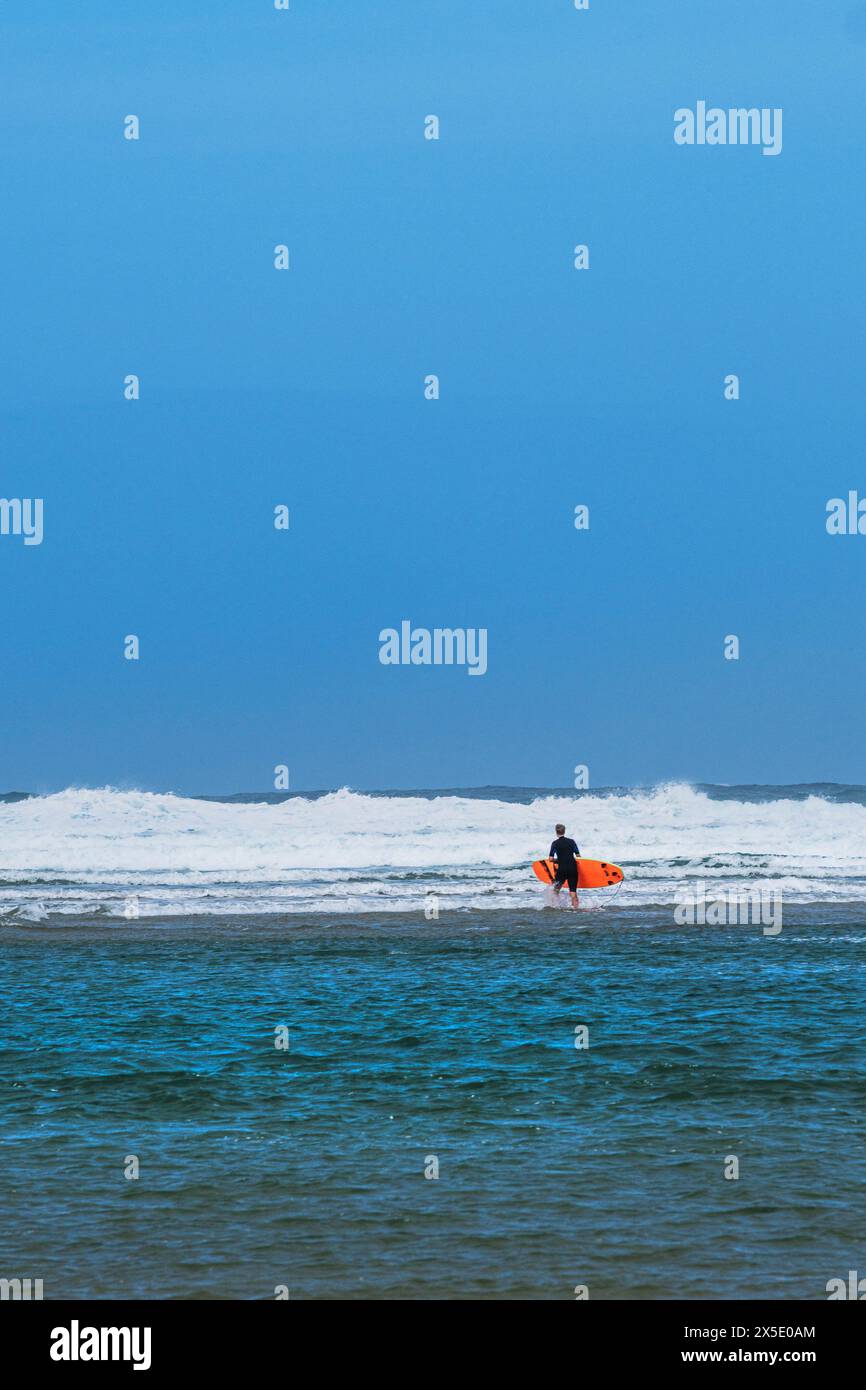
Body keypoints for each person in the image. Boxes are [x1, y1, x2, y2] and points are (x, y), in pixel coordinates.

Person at [550, 823, 581, 910]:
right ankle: (575, 909)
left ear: (556, 832)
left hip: (562, 869)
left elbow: (551, 859)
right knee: (573, 891)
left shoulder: (555, 843)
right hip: (572, 868)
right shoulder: (572, 841)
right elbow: (578, 856)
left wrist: (559, 860)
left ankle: (554, 907)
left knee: (556, 890)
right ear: (564, 831)